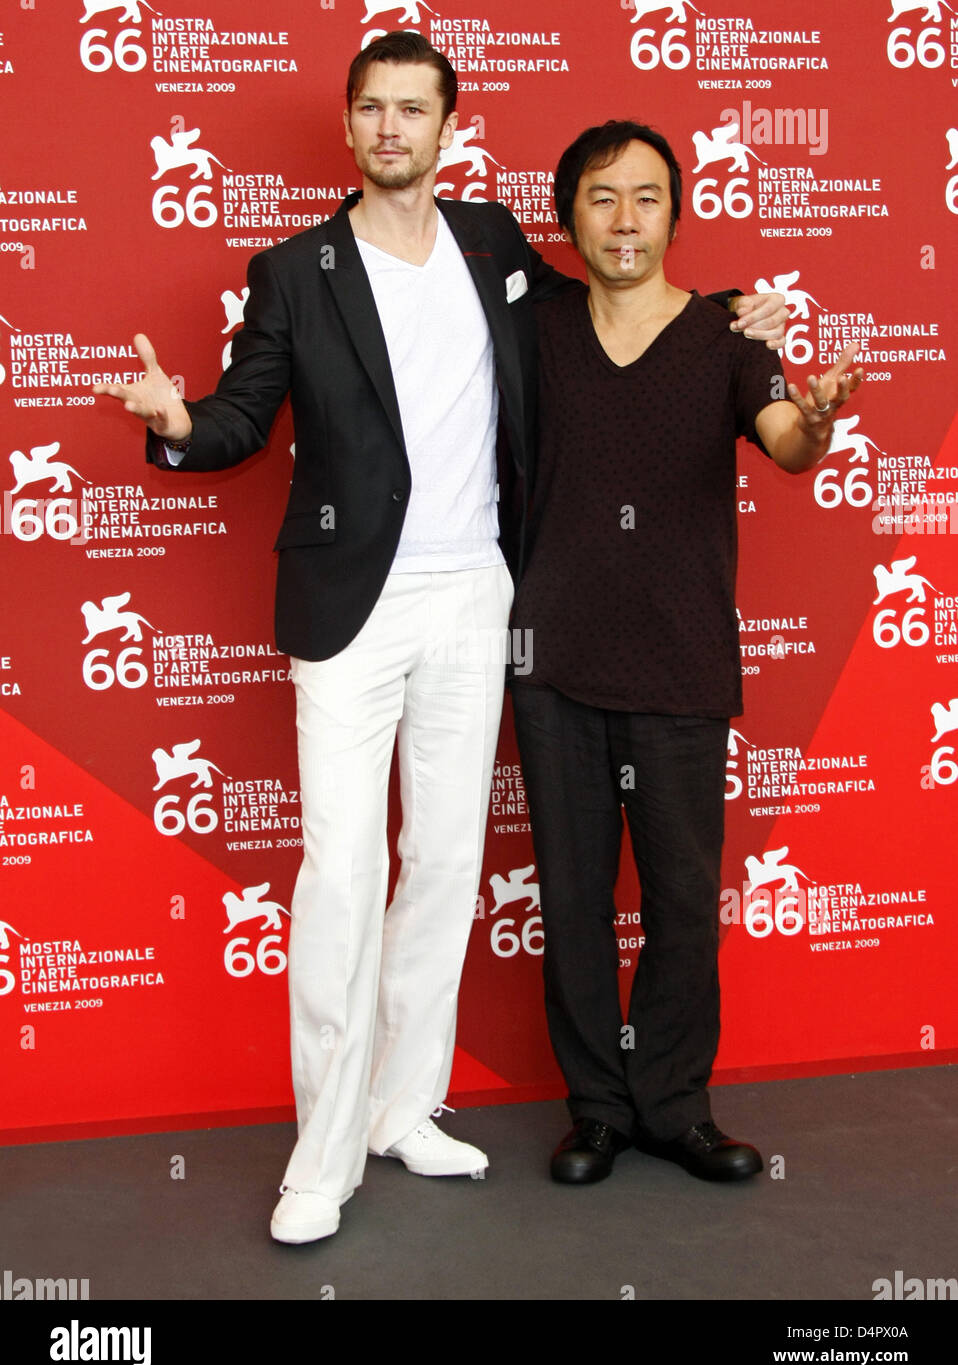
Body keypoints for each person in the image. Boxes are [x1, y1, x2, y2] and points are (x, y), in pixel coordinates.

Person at [93, 39, 787, 1243]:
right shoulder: (296, 270)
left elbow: (622, 307)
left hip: (480, 599)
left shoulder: (493, 249)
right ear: (351, 129)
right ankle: (321, 1154)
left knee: (444, 870)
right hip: (350, 610)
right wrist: (178, 425)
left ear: (448, 125)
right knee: (345, 873)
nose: (391, 127)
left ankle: (404, 1105)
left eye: (413, 109)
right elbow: (243, 415)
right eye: (371, 109)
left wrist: (733, 318)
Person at [510, 121, 863, 1187]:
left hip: (679, 660)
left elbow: (787, 441)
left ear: (676, 212)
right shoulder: (532, 331)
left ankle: (673, 1107)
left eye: (648, 197)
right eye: (603, 198)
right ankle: (597, 1113)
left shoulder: (726, 336)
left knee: (678, 898)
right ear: (567, 215)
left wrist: (816, 418)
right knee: (571, 900)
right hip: (552, 660)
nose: (625, 219)